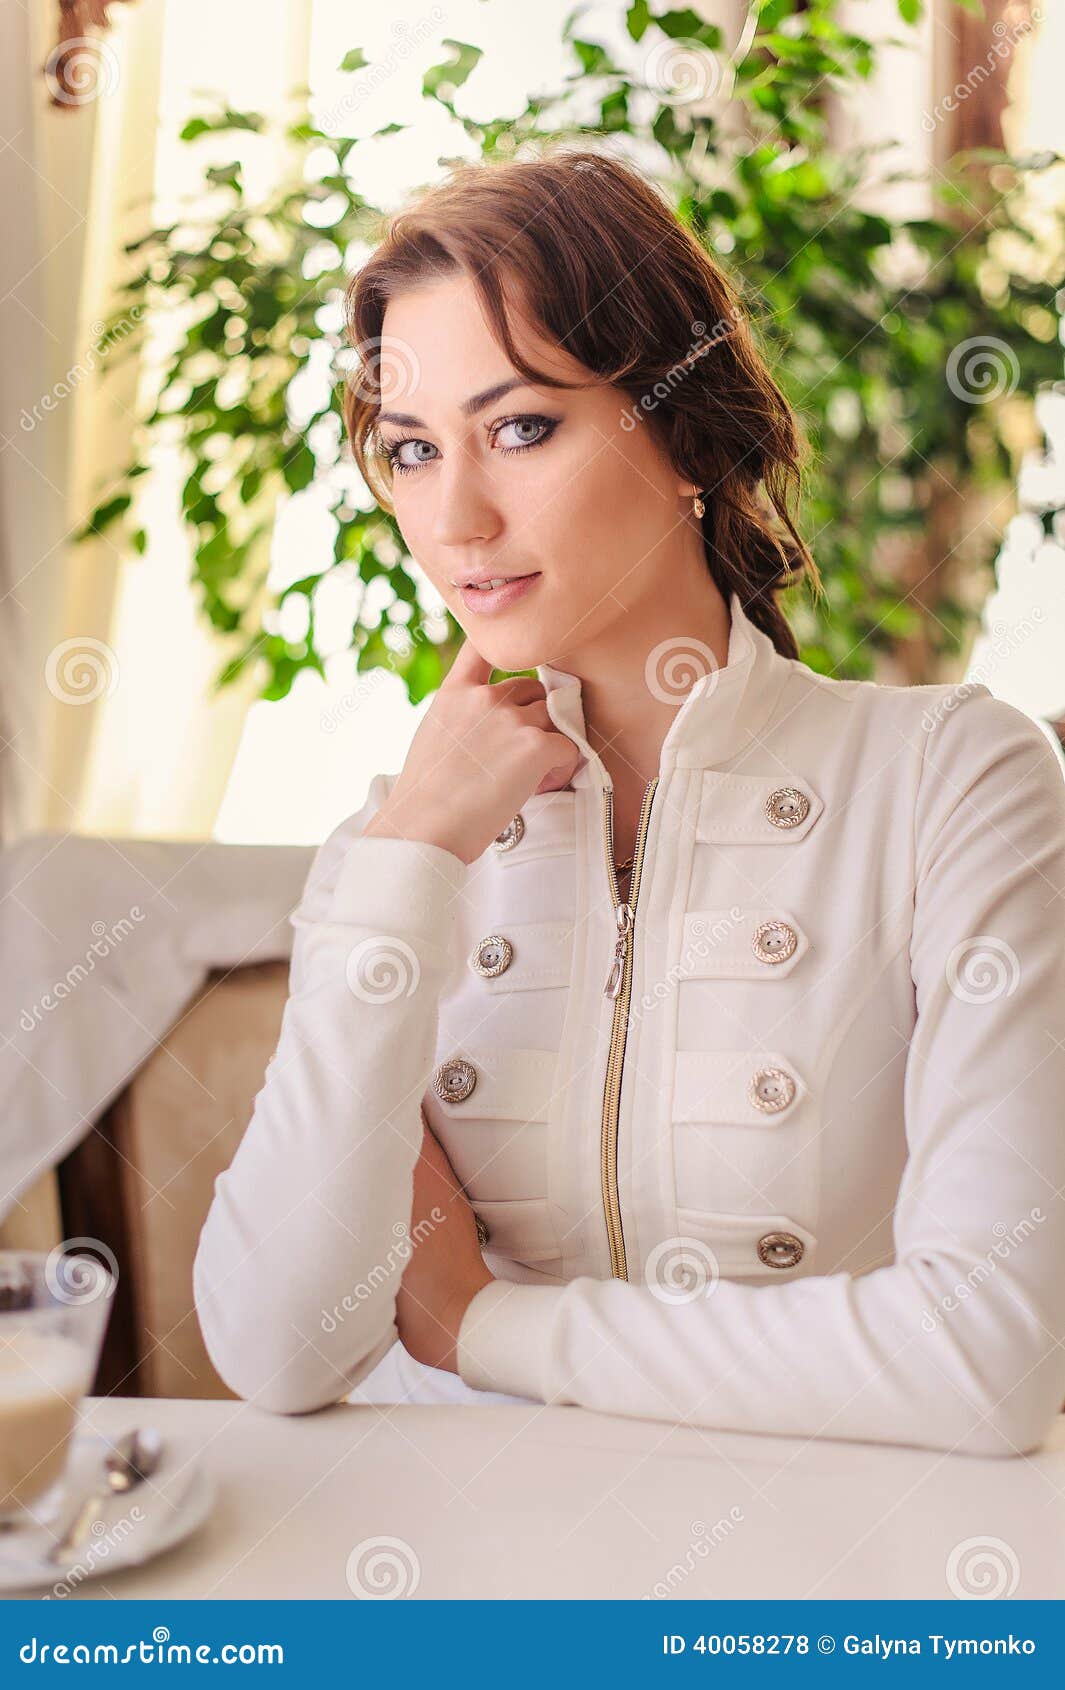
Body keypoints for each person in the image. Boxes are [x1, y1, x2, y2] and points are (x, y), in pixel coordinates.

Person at [193, 148, 1065, 1456]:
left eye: (520, 429)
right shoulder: (395, 848)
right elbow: (273, 1351)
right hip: (454, 1555)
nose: (455, 518)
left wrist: (479, 1322)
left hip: (821, 1553)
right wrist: (410, 859)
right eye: (413, 451)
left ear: (685, 435)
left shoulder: (950, 778)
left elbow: (989, 1356)